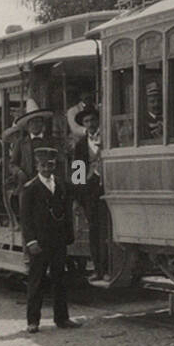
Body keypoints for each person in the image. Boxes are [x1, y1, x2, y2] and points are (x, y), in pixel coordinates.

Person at [20, 147, 78, 332]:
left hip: (58, 241)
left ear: (55, 165)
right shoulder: (30, 188)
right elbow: (25, 218)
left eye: (50, 165)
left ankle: (62, 319)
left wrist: (69, 235)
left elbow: (67, 212)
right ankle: (33, 321)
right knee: (36, 281)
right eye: (43, 165)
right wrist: (31, 242)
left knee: (60, 280)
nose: (47, 169)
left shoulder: (61, 184)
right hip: (40, 242)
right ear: (37, 166)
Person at [71, 107, 107, 280]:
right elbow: (77, 176)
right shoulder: (80, 145)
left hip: (108, 187)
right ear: (84, 125)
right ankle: (99, 269)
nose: (91, 124)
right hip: (90, 193)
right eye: (87, 121)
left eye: (93, 120)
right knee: (95, 230)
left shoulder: (108, 140)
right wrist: (79, 198)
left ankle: (110, 268)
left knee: (109, 230)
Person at [7, 107, 53, 183]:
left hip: (48, 182)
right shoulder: (21, 142)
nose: (35, 125)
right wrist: (19, 172)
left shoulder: (51, 141)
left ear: (43, 124)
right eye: (32, 122)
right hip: (27, 182)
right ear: (27, 125)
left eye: (38, 122)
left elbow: (59, 161)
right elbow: (12, 164)